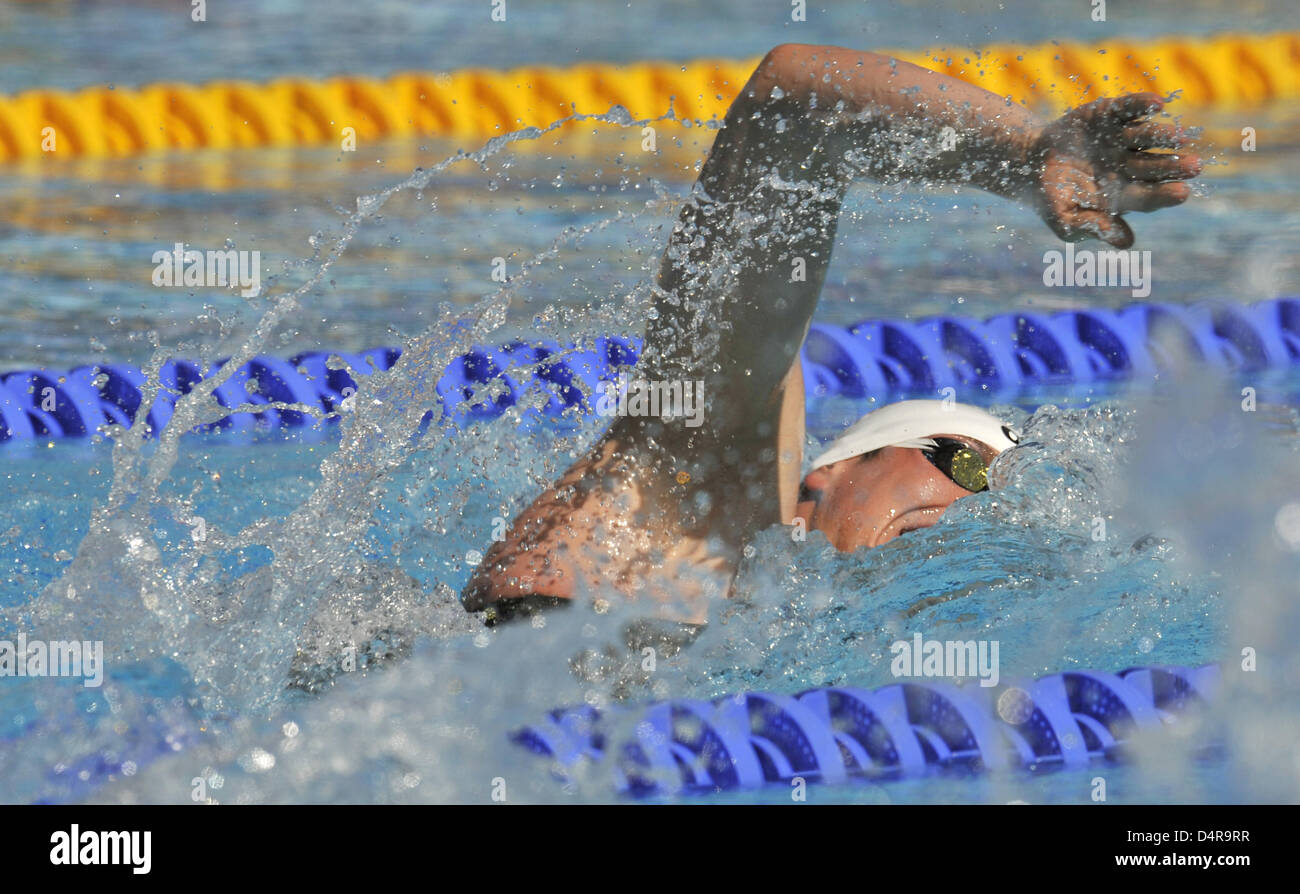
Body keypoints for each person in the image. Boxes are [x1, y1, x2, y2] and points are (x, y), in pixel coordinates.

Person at [462, 42, 1201, 625]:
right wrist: (1023, 155)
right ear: (834, 468)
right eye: (968, 468)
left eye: (1003, 508)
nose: (974, 512)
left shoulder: (776, 625)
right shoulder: (689, 485)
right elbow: (789, 104)